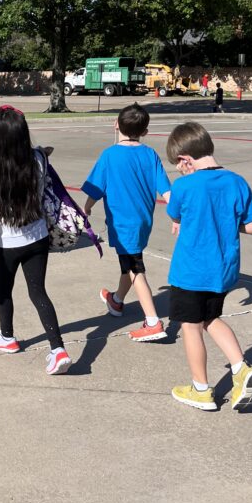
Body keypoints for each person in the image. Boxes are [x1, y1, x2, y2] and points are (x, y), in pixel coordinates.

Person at [165, 122, 252, 411]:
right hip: (222, 271)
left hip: (191, 270)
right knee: (211, 319)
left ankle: (200, 389)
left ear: (185, 160)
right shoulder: (237, 181)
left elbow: (176, 216)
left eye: (178, 164)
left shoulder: (184, 185)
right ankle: (240, 368)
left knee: (190, 327)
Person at [0, 107, 71, 374]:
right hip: (37, 237)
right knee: (38, 292)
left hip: (8, 244)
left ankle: (7, 337)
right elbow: (41, 153)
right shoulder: (38, 160)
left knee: (4, 291)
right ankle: (57, 348)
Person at [81, 103, 171, 341]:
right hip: (143, 222)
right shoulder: (150, 154)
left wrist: (88, 207)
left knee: (135, 268)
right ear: (145, 132)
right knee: (129, 260)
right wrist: (177, 216)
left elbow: (96, 188)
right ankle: (117, 300)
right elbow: (167, 192)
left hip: (123, 224)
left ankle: (152, 321)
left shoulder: (110, 155)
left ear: (116, 124)